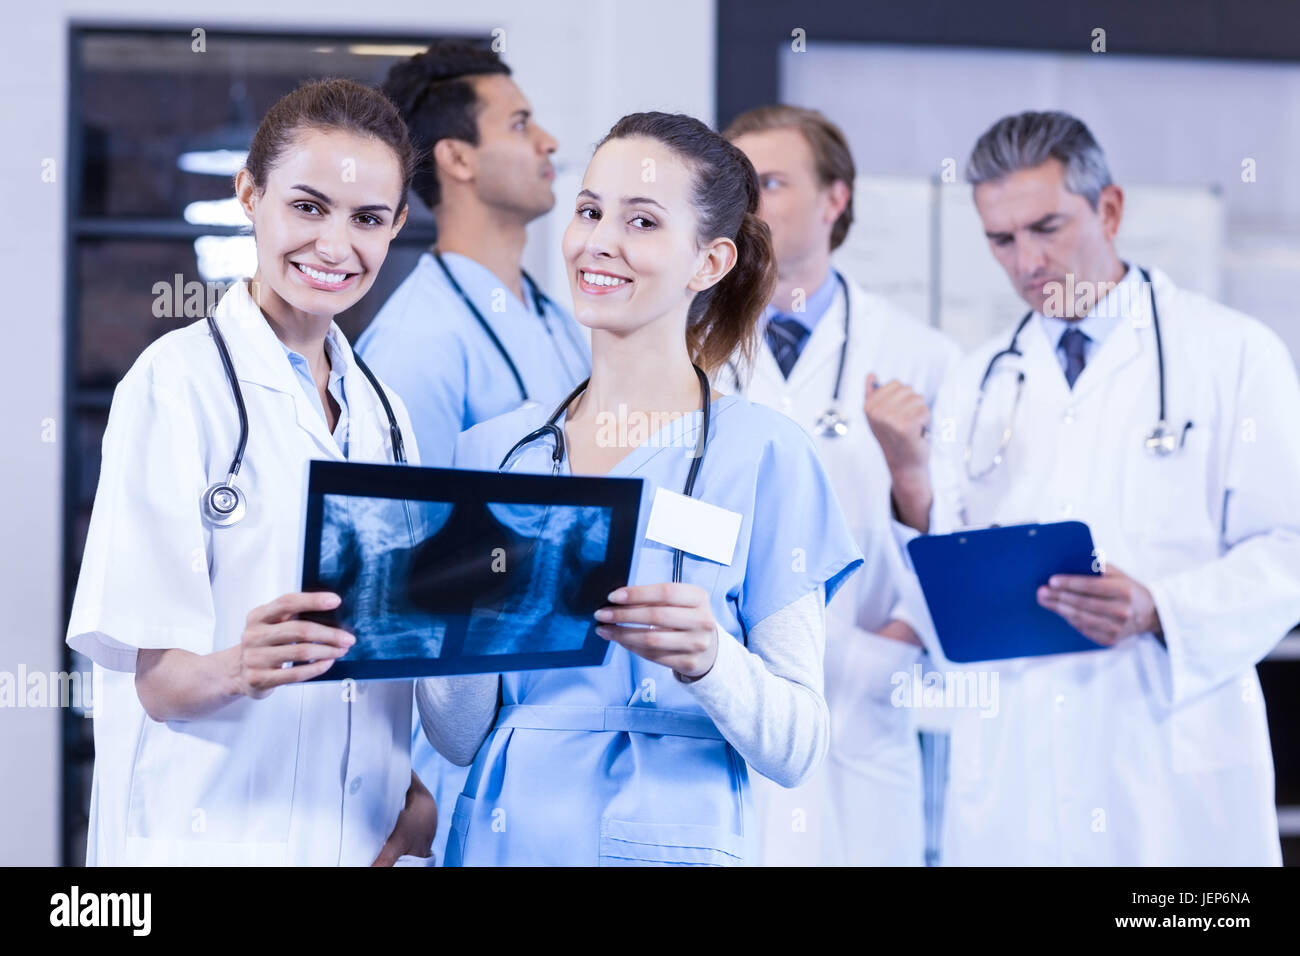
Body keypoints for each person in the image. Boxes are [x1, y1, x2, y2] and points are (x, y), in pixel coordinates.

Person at [416, 111, 864, 866]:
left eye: (643, 221)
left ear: (709, 262)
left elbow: (798, 747)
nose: (599, 242)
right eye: (589, 211)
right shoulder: (494, 453)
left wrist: (711, 658)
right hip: (502, 837)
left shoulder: (763, 456)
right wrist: (459, 623)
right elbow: (456, 737)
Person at [873, 110, 1300, 865]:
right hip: (1016, 769)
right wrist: (909, 474)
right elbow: (955, 572)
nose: (1027, 261)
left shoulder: (1233, 354)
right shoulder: (981, 377)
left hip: (1168, 753)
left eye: (1047, 228)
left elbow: (1289, 549)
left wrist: (1160, 608)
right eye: (1001, 240)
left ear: (1109, 209)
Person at [65, 79, 436, 866]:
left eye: (368, 219)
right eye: (307, 207)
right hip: (210, 836)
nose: (335, 247)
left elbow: (391, 656)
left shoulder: (391, 419)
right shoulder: (175, 385)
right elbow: (159, 683)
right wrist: (244, 664)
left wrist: (408, 797)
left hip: (361, 840)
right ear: (249, 194)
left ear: (397, 225)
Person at [357, 42, 591, 859]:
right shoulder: (416, 344)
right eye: (521, 123)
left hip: (559, 719)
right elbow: (393, 575)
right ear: (455, 157)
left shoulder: (562, 324)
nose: (549, 143)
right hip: (456, 748)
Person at [719, 104, 960, 866]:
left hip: (865, 705)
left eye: (773, 182)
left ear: (836, 199)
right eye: (734, 184)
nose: (749, 202)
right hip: (728, 695)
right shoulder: (686, 347)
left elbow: (963, 538)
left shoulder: (924, 357)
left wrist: (885, 649)